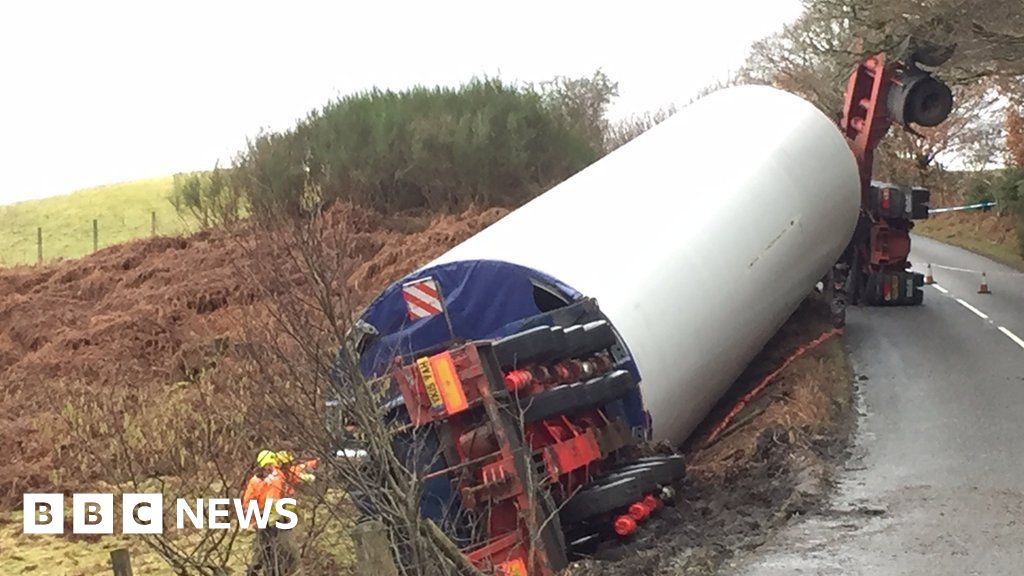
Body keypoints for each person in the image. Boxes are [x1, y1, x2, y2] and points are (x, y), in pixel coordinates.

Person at [242, 449, 318, 576]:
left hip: (280, 518)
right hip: (264, 520)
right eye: (268, 465)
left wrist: (314, 463)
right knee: (263, 553)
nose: (271, 467)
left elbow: (295, 472)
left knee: (285, 550)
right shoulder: (256, 482)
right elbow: (248, 503)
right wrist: (254, 520)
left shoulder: (278, 475)